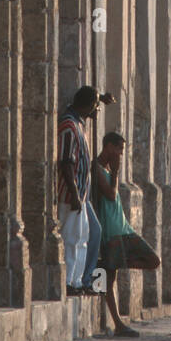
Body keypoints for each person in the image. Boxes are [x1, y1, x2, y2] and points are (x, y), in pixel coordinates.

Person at [94, 132, 160, 338]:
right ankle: (118, 324)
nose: (120, 154)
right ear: (108, 147)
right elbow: (110, 194)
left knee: (153, 260)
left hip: (123, 229)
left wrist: (114, 172)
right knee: (109, 278)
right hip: (110, 232)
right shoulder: (96, 168)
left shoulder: (107, 169)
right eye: (118, 149)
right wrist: (115, 173)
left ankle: (115, 264)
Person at [57, 86, 100, 296]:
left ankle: (76, 281)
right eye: (96, 104)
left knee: (82, 238)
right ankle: (67, 281)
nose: (96, 109)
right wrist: (74, 193)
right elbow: (66, 162)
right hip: (70, 194)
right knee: (71, 238)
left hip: (81, 195)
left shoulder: (79, 125)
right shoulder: (68, 125)